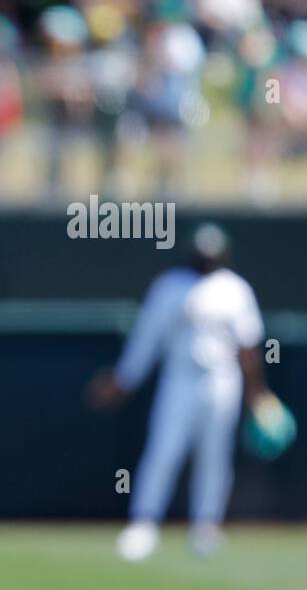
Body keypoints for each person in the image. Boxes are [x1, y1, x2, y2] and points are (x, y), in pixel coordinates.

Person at [88, 223, 269, 561]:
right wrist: (124, 379)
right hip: (180, 378)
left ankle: (206, 527)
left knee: (214, 456)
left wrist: (258, 394)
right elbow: (146, 340)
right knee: (164, 450)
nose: (207, 260)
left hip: (222, 379)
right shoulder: (170, 286)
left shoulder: (235, 290)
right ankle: (144, 524)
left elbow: (248, 347)